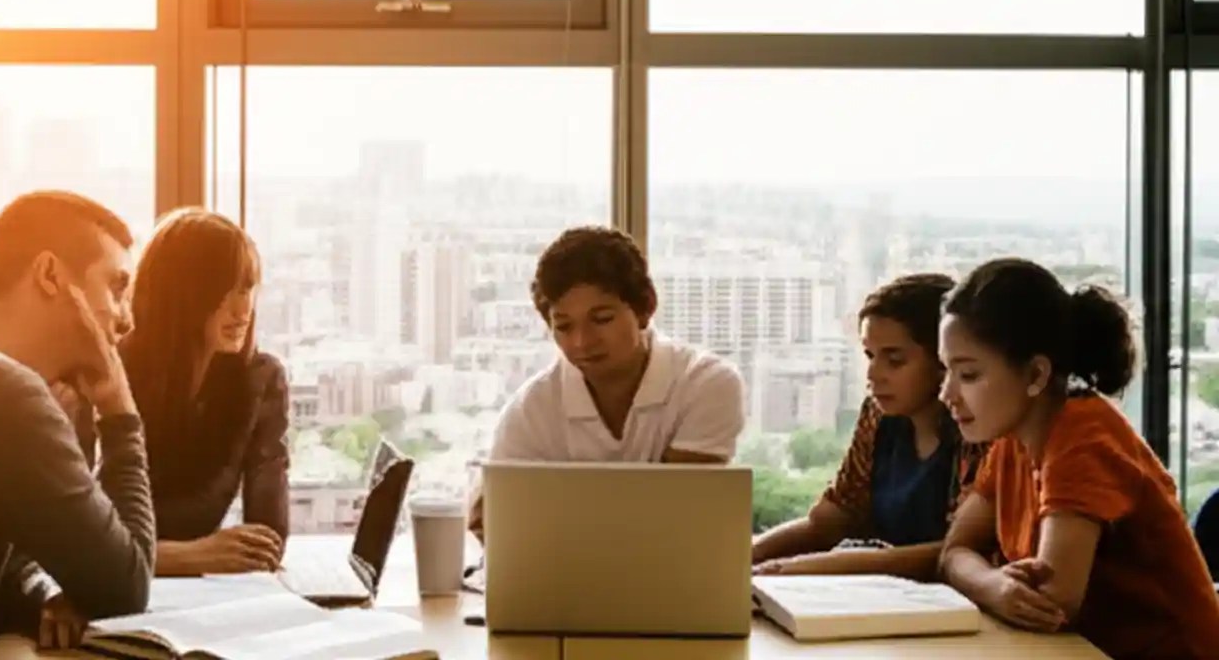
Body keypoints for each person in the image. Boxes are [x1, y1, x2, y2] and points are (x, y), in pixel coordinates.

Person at [937, 257, 1219, 658]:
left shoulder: (1083, 438)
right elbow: (954, 552)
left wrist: (988, 581)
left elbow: (1052, 601)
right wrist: (996, 586)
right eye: (946, 372)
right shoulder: (1012, 441)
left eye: (968, 376)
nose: (946, 394)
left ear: (1035, 375)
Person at [0, 191, 154, 657]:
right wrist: (119, 412)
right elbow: (127, 590)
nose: (127, 320)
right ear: (50, 275)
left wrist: (44, 585)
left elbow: (11, 551)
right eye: (117, 289)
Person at [467, 226, 746, 541]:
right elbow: (486, 521)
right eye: (563, 326)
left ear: (645, 307)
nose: (582, 342)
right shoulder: (533, 407)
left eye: (601, 319)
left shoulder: (706, 384)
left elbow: (677, 517)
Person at [751, 274, 986, 580]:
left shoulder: (980, 432)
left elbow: (955, 552)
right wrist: (748, 555)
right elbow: (832, 519)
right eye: (869, 356)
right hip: (878, 593)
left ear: (942, 361)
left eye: (895, 360)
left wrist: (802, 568)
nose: (874, 374)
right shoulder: (878, 415)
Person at [117, 208, 289, 576]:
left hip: (192, 596)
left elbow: (268, 539)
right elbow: (77, 544)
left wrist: (211, 555)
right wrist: (189, 556)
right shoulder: (110, 375)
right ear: (179, 294)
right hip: (113, 597)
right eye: (222, 291)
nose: (242, 309)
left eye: (246, 289)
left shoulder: (260, 380)